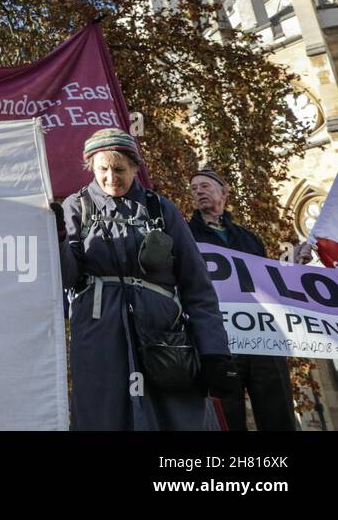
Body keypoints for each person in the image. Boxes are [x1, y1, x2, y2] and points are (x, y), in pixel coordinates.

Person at [56, 128, 237, 430]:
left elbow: (197, 285)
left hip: (164, 333)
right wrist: (59, 238)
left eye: (119, 169)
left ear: (136, 168)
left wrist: (214, 351)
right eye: (102, 170)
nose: (111, 178)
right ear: (91, 168)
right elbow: (67, 277)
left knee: (176, 416)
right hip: (99, 333)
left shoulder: (161, 209)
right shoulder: (77, 206)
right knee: (104, 416)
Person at [186, 168, 297, 431]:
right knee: (226, 418)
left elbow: (268, 284)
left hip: (262, 341)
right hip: (220, 344)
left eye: (204, 186)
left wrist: (294, 266)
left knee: (278, 413)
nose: (198, 191)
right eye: (193, 189)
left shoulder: (248, 238)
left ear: (224, 193)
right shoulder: (186, 235)